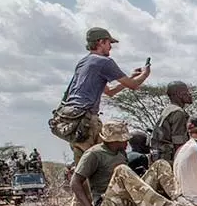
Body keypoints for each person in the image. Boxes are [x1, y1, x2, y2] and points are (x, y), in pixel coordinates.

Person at [70, 120, 197, 206]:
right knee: (122, 169)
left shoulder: (121, 153)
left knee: (160, 164)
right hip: (108, 204)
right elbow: (75, 182)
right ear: (113, 141)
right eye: (123, 140)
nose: (127, 143)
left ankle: (180, 200)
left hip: (127, 200)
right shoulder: (93, 154)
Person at [60, 27, 151, 166]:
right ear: (101, 42)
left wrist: (131, 77)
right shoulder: (104, 62)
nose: (110, 47)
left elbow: (110, 91)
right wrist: (145, 74)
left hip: (72, 120)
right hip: (87, 119)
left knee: (83, 165)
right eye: (109, 43)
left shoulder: (83, 62)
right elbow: (133, 85)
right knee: (109, 160)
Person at [151, 81, 192, 162]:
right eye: (186, 92)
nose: (189, 94)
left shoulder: (168, 109)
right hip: (170, 159)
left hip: (161, 157)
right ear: (179, 94)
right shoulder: (179, 112)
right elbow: (178, 142)